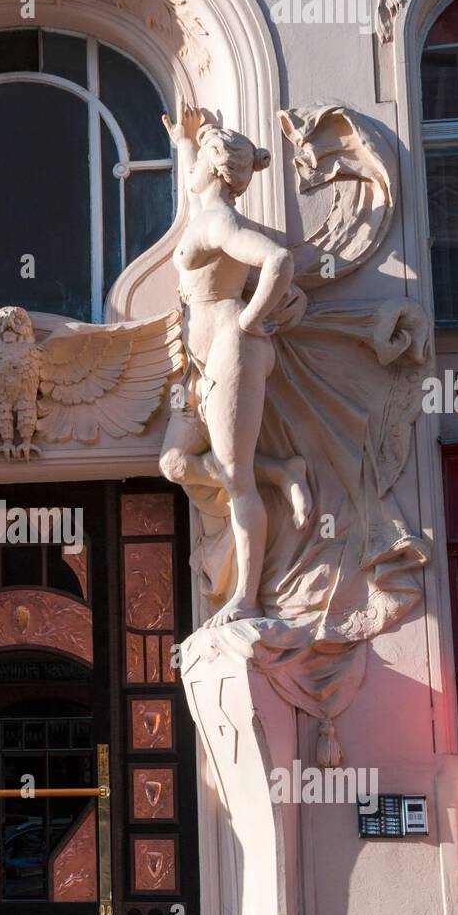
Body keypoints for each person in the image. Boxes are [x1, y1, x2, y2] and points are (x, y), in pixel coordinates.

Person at [159, 104, 312, 626]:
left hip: (230, 349)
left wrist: (248, 320)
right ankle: (284, 471)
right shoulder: (205, 207)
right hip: (199, 364)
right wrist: (184, 139)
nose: (193, 165)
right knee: (174, 463)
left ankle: (247, 598)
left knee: (237, 480)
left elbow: (278, 260)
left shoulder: (220, 222)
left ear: (215, 166)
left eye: (201, 156)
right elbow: (191, 184)